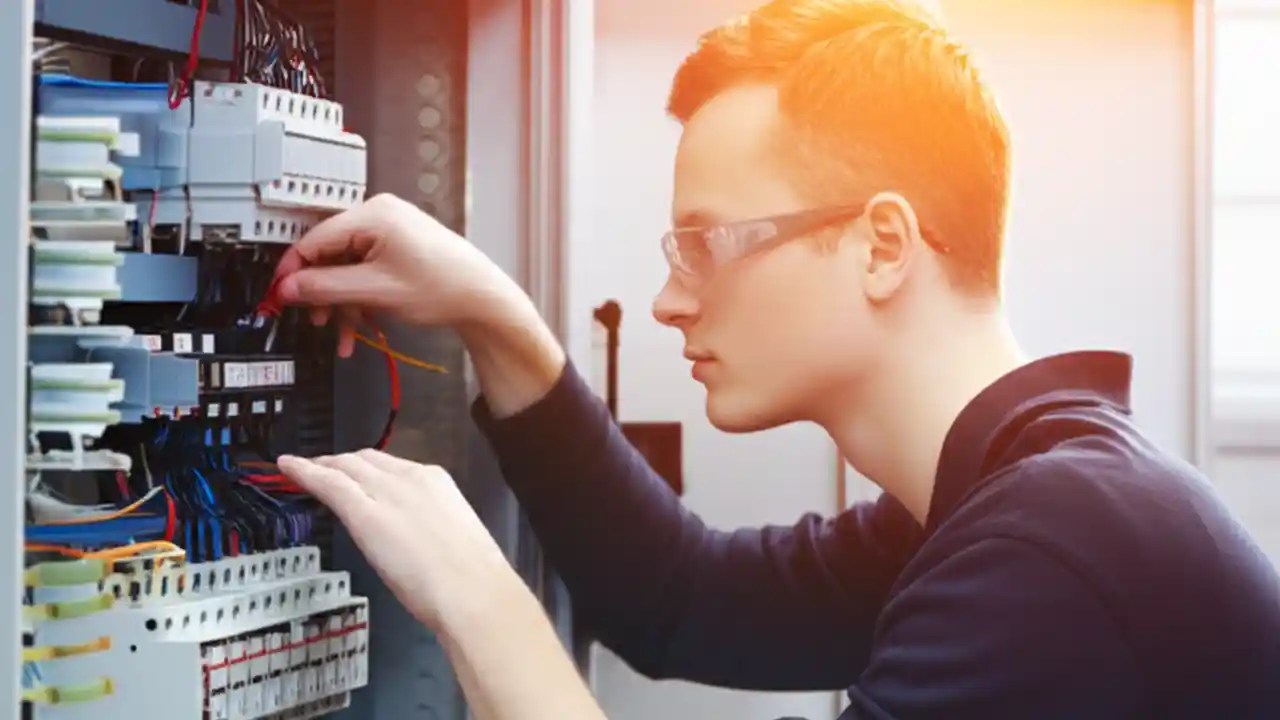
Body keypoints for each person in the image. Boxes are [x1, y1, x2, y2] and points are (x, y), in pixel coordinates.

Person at [273, 0, 1280, 717]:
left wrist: (473, 593)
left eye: (708, 244)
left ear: (881, 246)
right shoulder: (1007, 504)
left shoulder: (1050, 554)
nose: (670, 302)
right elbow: (679, 602)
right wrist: (494, 316)